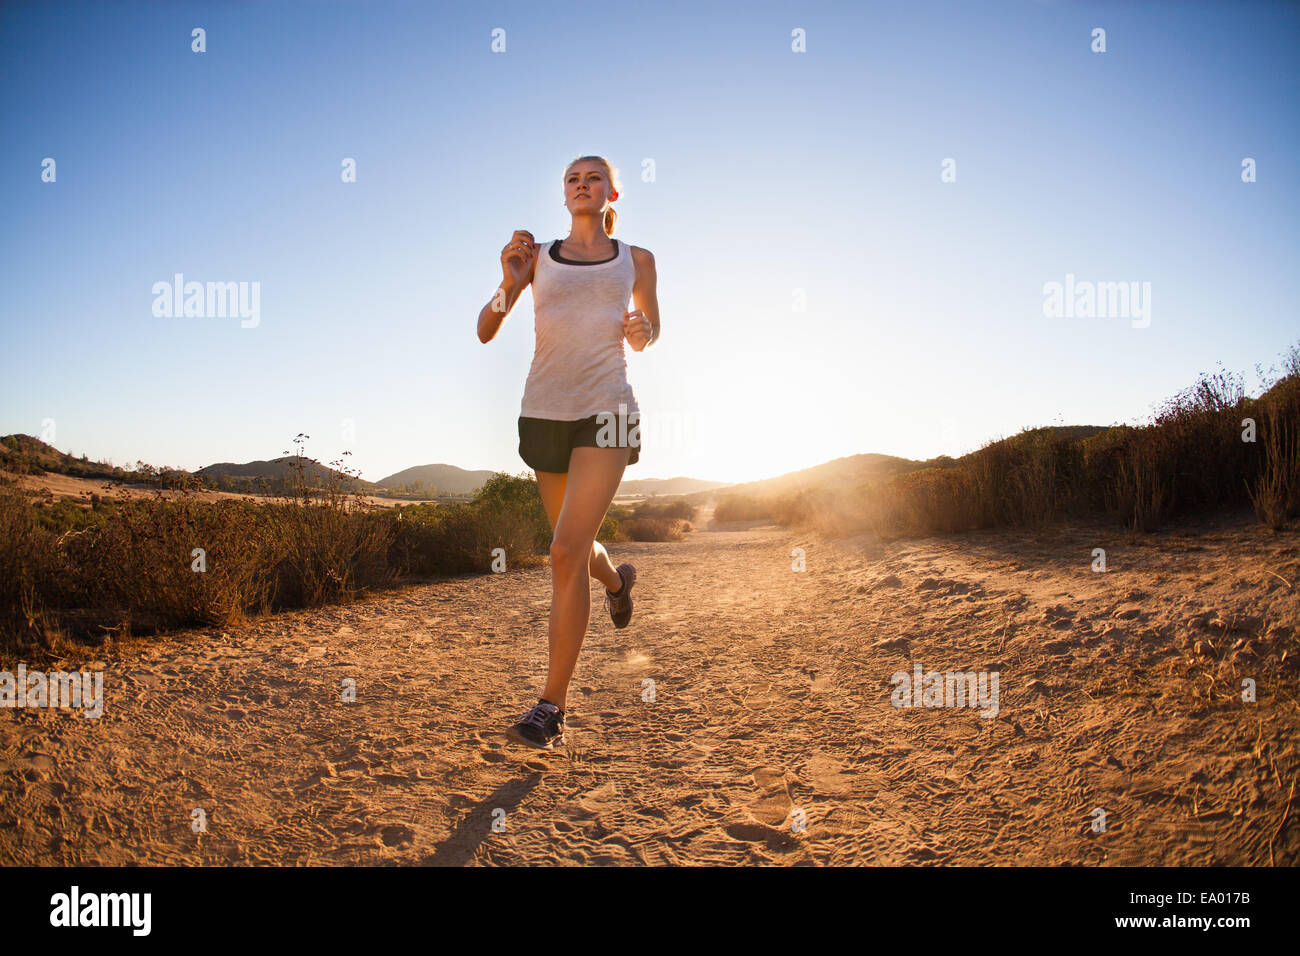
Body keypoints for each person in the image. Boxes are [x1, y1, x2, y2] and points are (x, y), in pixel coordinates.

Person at [476, 155, 660, 749]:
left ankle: (550, 706)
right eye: (573, 179)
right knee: (572, 550)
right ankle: (616, 582)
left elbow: (651, 325)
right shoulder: (537, 258)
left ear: (611, 192)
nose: (583, 185)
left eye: (594, 178)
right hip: (545, 412)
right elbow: (486, 328)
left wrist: (644, 332)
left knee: (561, 551)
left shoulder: (638, 260)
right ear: (564, 195)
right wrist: (509, 282)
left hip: (609, 412)